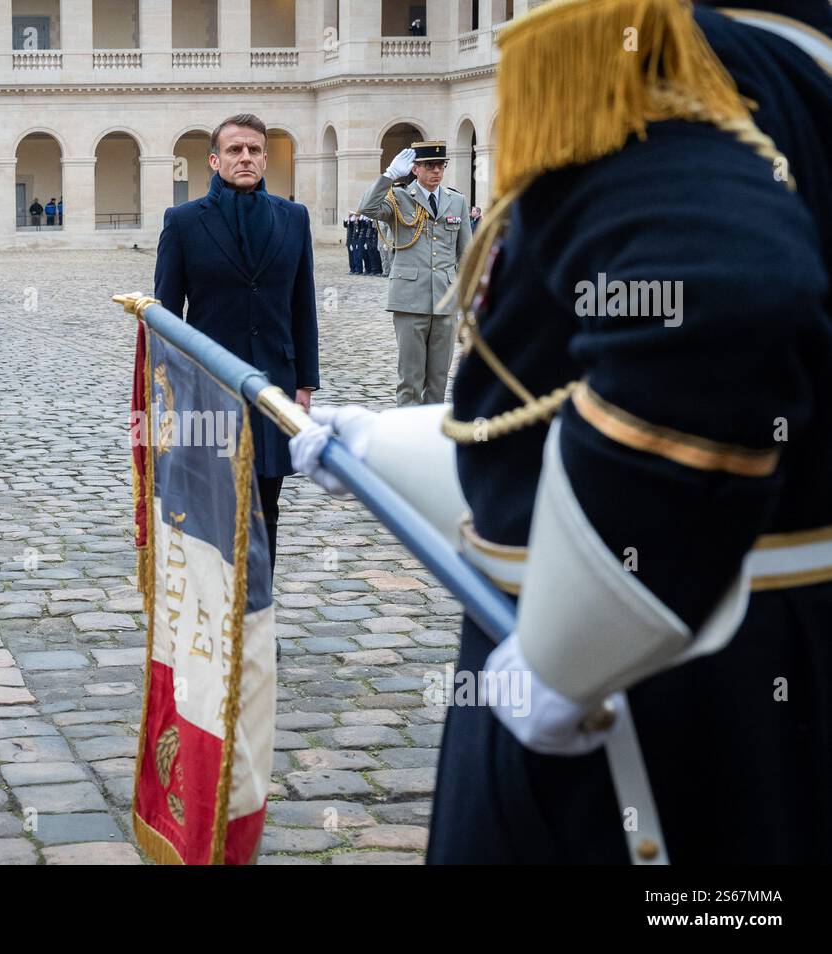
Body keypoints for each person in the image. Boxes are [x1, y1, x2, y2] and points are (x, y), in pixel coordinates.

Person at [292, 0, 832, 864]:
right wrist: (392, 446)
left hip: (657, 704)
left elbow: (719, 308)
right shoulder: (801, 70)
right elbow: (555, 395)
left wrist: (573, 650)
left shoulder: (660, 65)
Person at [154, 112, 319, 579]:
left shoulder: (293, 218)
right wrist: (171, 394)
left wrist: (305, 382)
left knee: (266, 510)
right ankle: (216, 616)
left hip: (274, 388)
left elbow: (302, 303)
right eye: (234, 150)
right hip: (209, 389)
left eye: (253, 150)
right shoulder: (183, 222)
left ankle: (257, 620)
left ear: (265, 158)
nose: (244, 157)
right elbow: (167, 317)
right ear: (214, 159)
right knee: (216, 510)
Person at [359, 141, 471, 405]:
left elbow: (466, 253)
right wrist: (388, 176)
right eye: (429, 166)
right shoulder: (399, 197)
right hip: (410, 298)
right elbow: (367, 208)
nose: (436, 171)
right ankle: (408, 435)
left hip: (445, 299)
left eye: (440, 165)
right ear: (415, 169)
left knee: (439, 379)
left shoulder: (457, 201)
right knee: (409, 379)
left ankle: (430, 436)